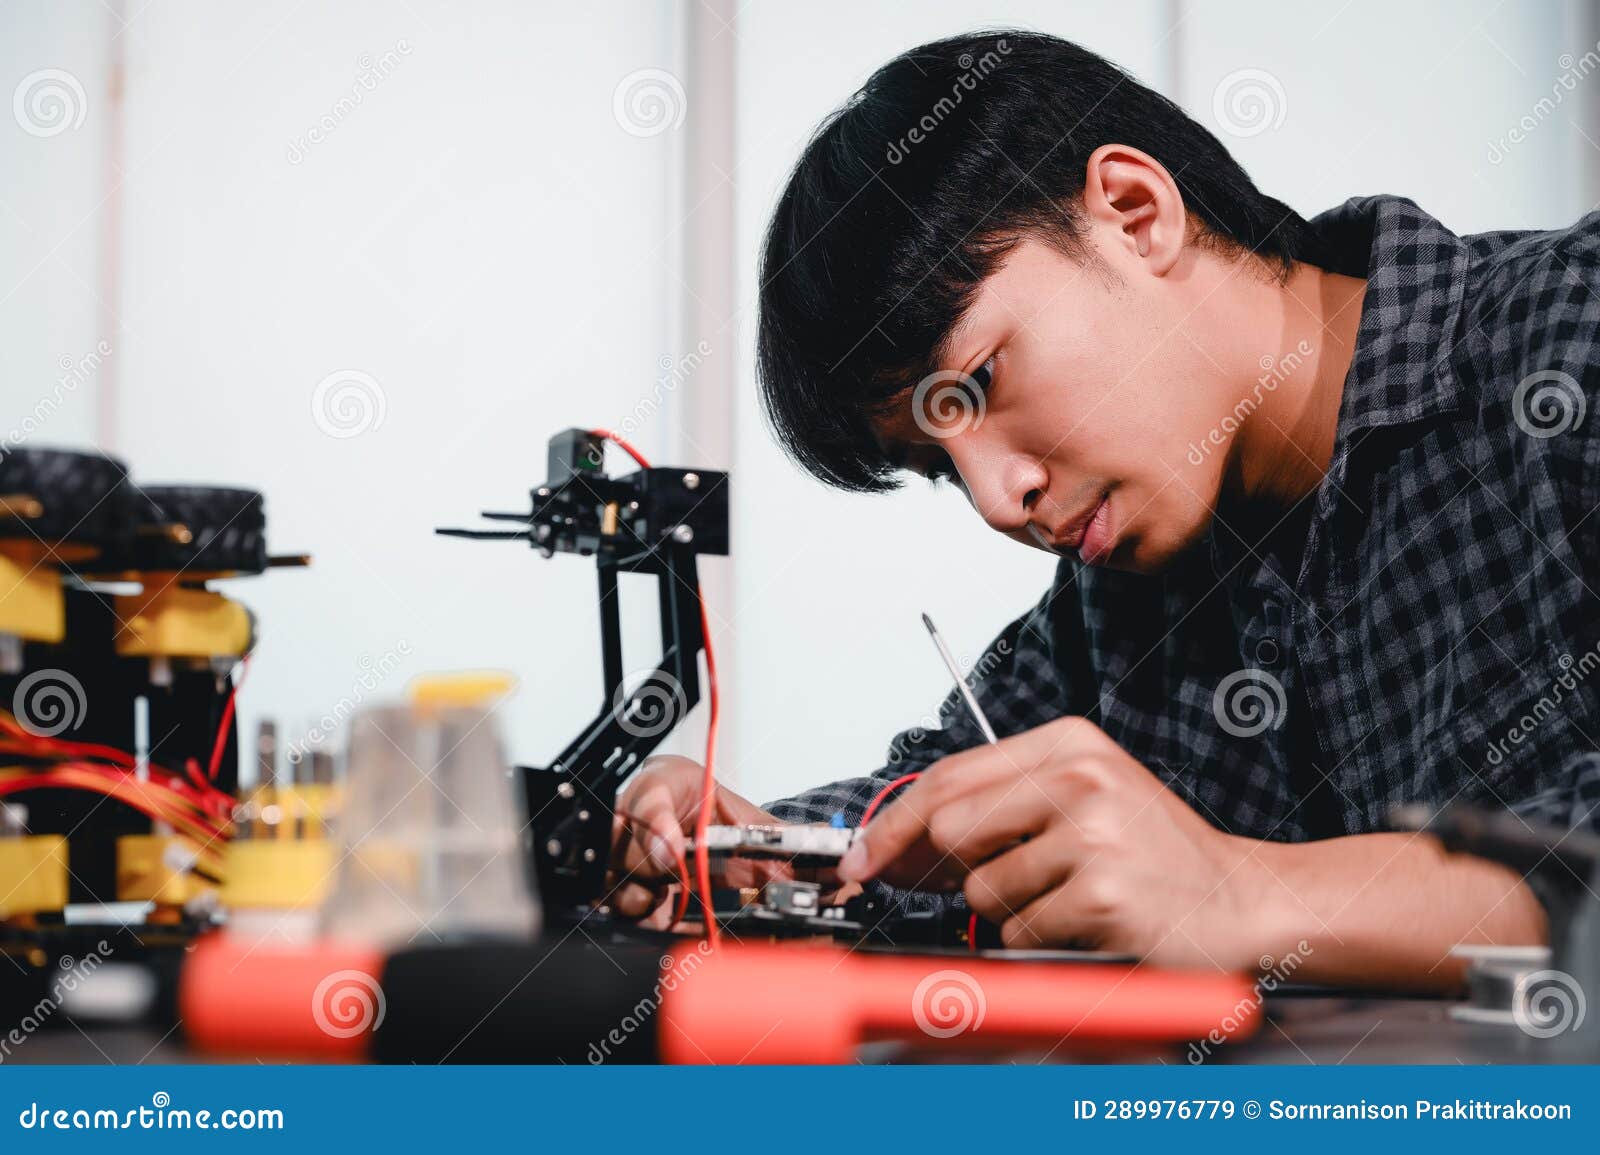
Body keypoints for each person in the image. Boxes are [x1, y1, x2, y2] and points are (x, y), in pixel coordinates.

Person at [608, 30, 1600, 990]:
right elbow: (926, 826)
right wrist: (744, 856)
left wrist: (1241, 894)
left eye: (980, 382)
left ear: (1134, 212)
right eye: (942, 471)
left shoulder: (1573, 338)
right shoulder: (1117, 592)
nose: (1000, 500)